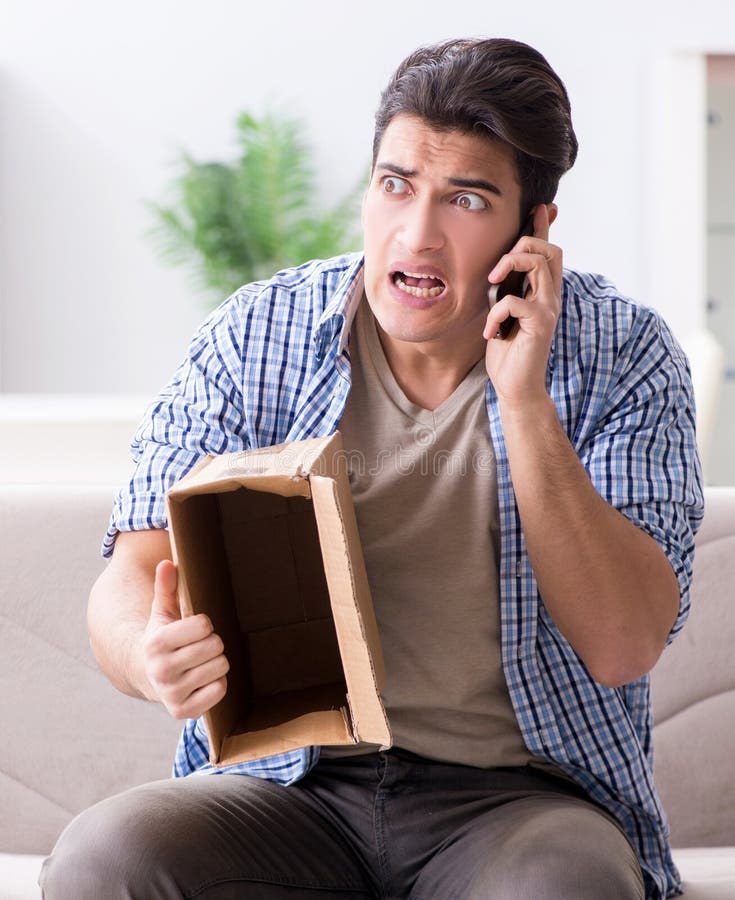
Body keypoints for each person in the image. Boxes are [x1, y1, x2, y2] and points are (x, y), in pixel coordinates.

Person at [41, 37, 703, 900]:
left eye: (465, 199)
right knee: (106, 856)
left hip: (518, 800)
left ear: (532, 230)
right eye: (395, 185)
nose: (416, 234)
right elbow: (130, 574)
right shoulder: (257, 334)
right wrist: (146, 651)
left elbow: (622, 646)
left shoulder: (625, 355)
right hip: (287, 790)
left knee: (563, 885)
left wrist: (526, 403)